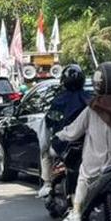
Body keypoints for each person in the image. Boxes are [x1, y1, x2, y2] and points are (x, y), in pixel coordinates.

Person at [55, 62, 111, 221]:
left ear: (98, 84)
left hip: (100, 165)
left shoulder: (94, 108)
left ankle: (76, 212)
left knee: (83, 177)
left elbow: (73, 132)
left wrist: (59, 135)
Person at [37, 64, 92, 199]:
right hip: (90, 145)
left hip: (65, 145)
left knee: (45, 152)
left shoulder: (58, 101)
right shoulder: (91, 99)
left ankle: (47, 182)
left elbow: (50, 121)